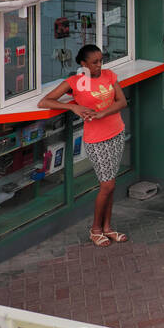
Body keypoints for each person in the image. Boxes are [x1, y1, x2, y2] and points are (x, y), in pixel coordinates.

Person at [39, 44, 129, 248]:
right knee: (107, 185)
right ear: (83, 64)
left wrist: (103, 113)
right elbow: (45, 102)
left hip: (116, 132)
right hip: (96, 139)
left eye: (101, 61)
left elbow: (122, 101)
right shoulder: (74, 82)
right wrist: (72, 106)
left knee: (111, 184)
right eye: (95, 62)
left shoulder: (109, 75)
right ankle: (95, 230)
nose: (99, 65)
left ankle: (108, 227)